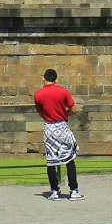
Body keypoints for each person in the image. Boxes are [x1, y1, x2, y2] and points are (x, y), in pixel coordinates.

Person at [34, 69, 83, 201]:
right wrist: (63, 114)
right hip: (62, 126)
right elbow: (73, 109)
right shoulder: (63, 92)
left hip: (49, 127)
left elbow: (40, 113)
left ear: (43, 79)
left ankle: (55, 191)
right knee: (69, 158)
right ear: (56, 79)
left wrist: (50, 117)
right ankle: (74, 191)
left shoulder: (38, 94)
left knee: (51, 160)